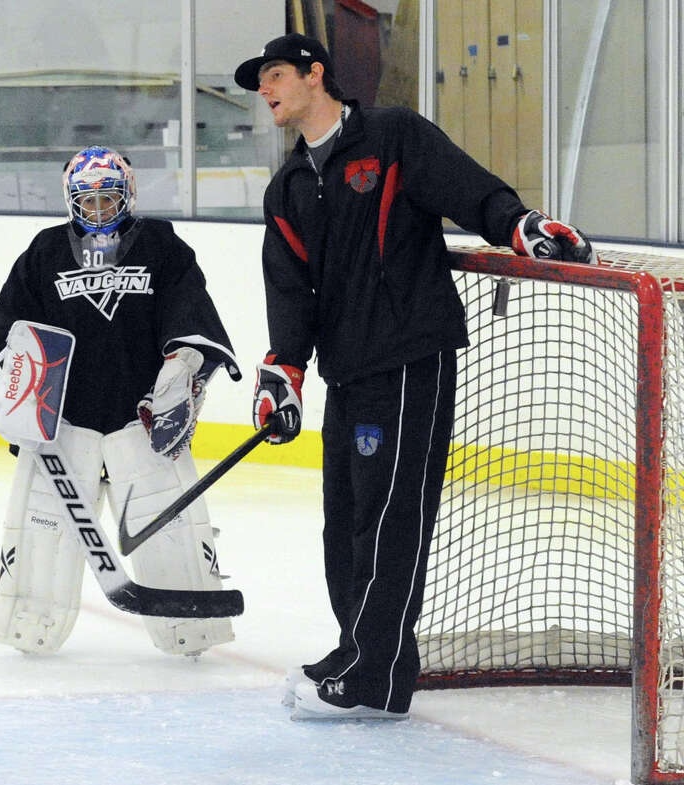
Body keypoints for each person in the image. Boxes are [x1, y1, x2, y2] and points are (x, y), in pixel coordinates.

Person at [235, 35, 596, 719]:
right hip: (347, 371)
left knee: (389, 518)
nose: (265, 90)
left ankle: (374, 680)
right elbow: (290, 291)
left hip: (406, 359)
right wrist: (284, 370)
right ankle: (362, 650)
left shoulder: (391, 137)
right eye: (261, 82)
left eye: (275, 75)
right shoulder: (288, 187)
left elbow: (467, 188)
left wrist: (520, 225)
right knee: (345, 521)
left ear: (315, 74)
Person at [0, 145, 242, 657]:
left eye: (109, 197)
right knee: (43, 525)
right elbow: (14, 327)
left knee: (167, 522)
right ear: (72, 200)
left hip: (139, 417)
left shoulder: (160, 244)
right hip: (65, 420)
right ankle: (29, 624)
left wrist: (183, 365)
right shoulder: (45, 251)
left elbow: (188, 306)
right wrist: (19, 375)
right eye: (89, 199)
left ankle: (189, 629)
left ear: (128, 195)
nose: (99, 209)